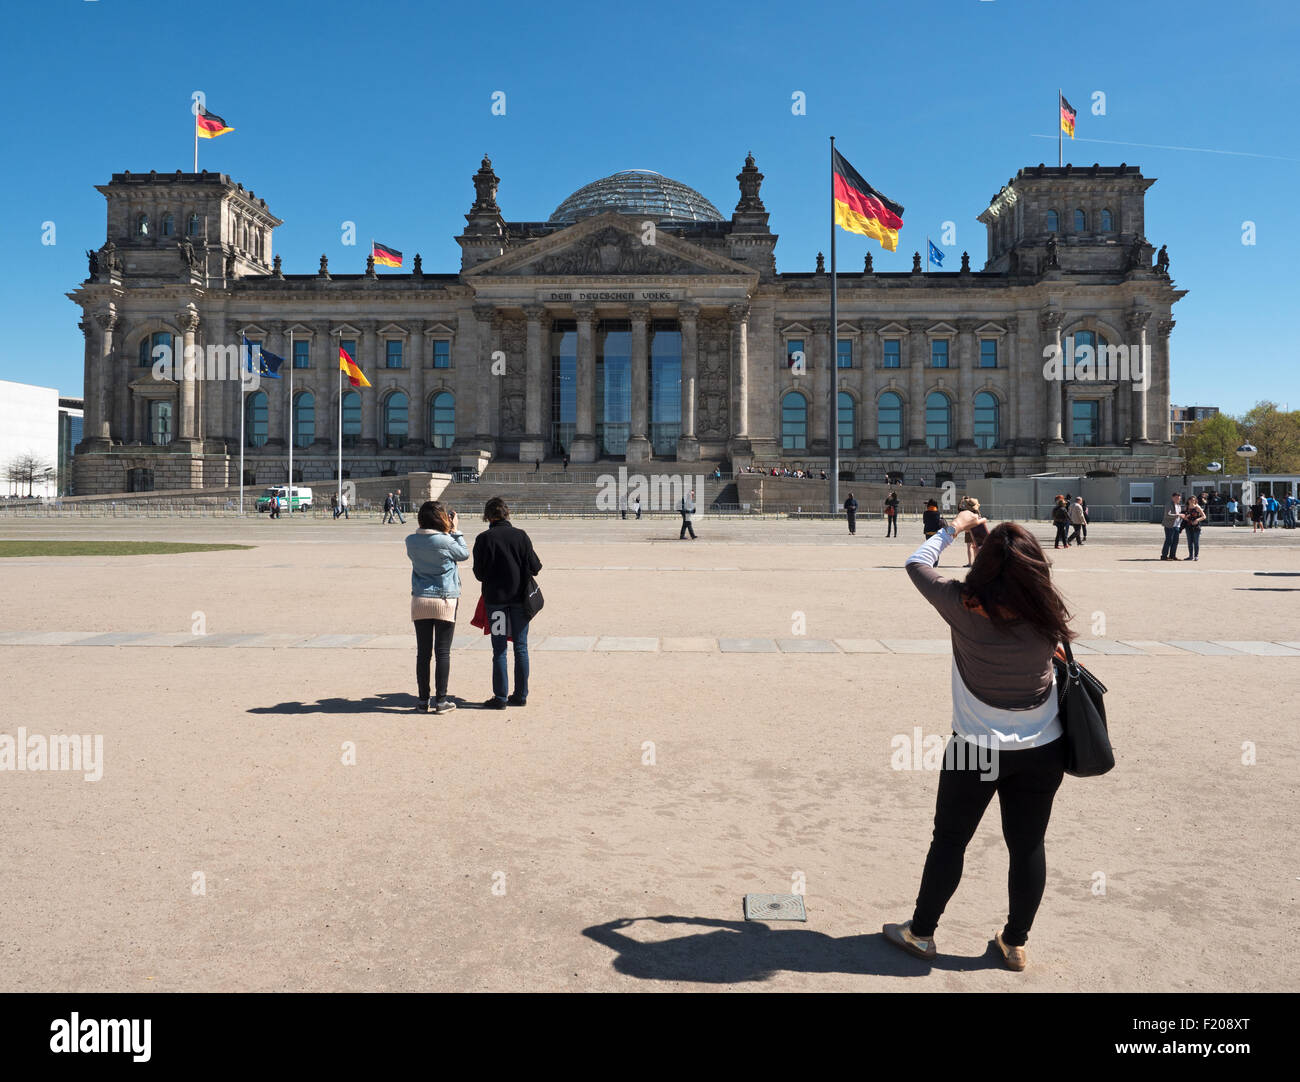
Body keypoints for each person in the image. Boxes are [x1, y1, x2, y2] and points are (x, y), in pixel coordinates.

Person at [884, 513, 1073, 972]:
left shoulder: (961, 603)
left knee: (950, 840)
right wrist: (989, 540)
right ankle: (1014, 943)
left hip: (974, 746)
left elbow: (916, 563)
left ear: (982, 567)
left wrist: (954, 527)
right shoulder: (1048, 610)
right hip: (1041, 746)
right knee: (1027, 845)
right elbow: (1013, 573)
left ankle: (921, 933)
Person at [472, 497, 541, 709]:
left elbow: (479, 574)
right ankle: (520, 695)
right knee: (521, 647)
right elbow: (535, 567)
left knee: (499, 649)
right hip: (520, 601)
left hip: (496, 602)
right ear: (507, 513)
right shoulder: (521, 536)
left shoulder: (483, 539)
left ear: (488, 516)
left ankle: (500, 697)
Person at [405, 501, 468, 714]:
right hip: (444, 597)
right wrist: (455, 529)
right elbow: (463, 554)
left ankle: (423, 701)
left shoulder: (411, 541)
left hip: (421, 597)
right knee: (442, 652)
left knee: (423, 653)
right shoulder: (446, 540)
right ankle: (441, 700)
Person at [1182, 495, 1206, 562]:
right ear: (1188, 500)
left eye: (1194, 500)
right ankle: (1190, 556)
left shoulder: (1197, 507)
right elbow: (1184, 516)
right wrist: (1185, 517)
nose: (1192, 501)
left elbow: (1204, 516)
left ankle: (1196, 556)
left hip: (1196, 527)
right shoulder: (1186, 507)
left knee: (1196, 542)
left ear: (1195, 501)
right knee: (1189, 542)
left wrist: (1197, 520)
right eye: (1191, 500)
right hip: (1188, 526)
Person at [958, 496, 981, 565]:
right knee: (975, 547)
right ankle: (976, 562)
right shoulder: (977, 512)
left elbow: (959, 509)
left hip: (968, 531)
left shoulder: (966, 512)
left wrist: (962, 500)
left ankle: (970, 563)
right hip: (976, 531)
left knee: (969, 547)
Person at [1160, 493, 1183, 559]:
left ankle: (1172, 555)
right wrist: (1178, 515)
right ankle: (1164, 556)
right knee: (1169, 540)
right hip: (1169, 526)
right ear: (1172, 498)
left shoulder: (1179, 505)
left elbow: (1179, 515)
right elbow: (1167, 515)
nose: (1178, 499)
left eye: (1179, 498)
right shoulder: (1169, 504)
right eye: (1176, 498)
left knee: (1175, 541)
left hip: (1177, 526)